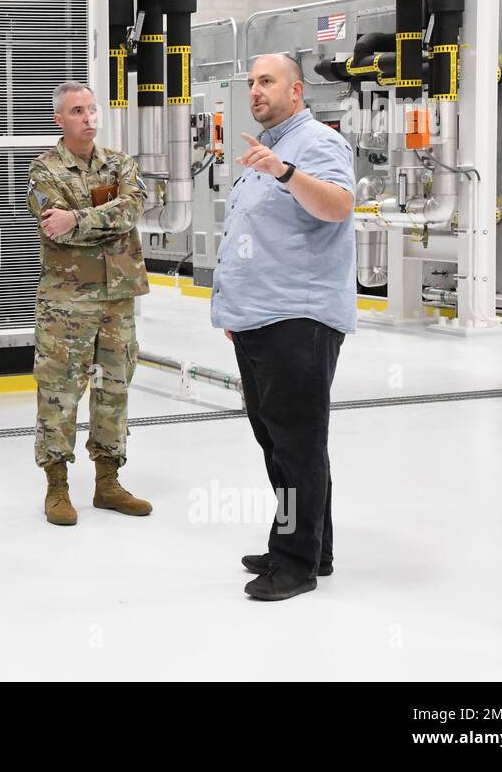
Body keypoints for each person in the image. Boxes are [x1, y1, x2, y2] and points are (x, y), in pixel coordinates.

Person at [211, 53, 356, 602]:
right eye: (250, 82)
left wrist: (285, 172)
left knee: (295, 445)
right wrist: (236, 308)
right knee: (281, 442)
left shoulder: (314, 143)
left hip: (300, 318)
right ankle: (312, 545)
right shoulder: (268, 148)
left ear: (296, 90)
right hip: (261, 317)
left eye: (266, 81)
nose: (254, 90)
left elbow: (340, 206)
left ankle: (295, 563)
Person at [26, 82, 152, 525]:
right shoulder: (45, 172)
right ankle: (57, 487)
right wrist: (102, 221)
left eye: (92, 109)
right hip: (67, 304)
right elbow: (52, 228)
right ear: (59, 119)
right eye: (77, 110)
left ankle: (108, 482)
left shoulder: (120, 163)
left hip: (117, 298)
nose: (88, 117)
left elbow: (134, 208)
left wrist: (79, 218)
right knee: (59, 392)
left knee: (114, 388)